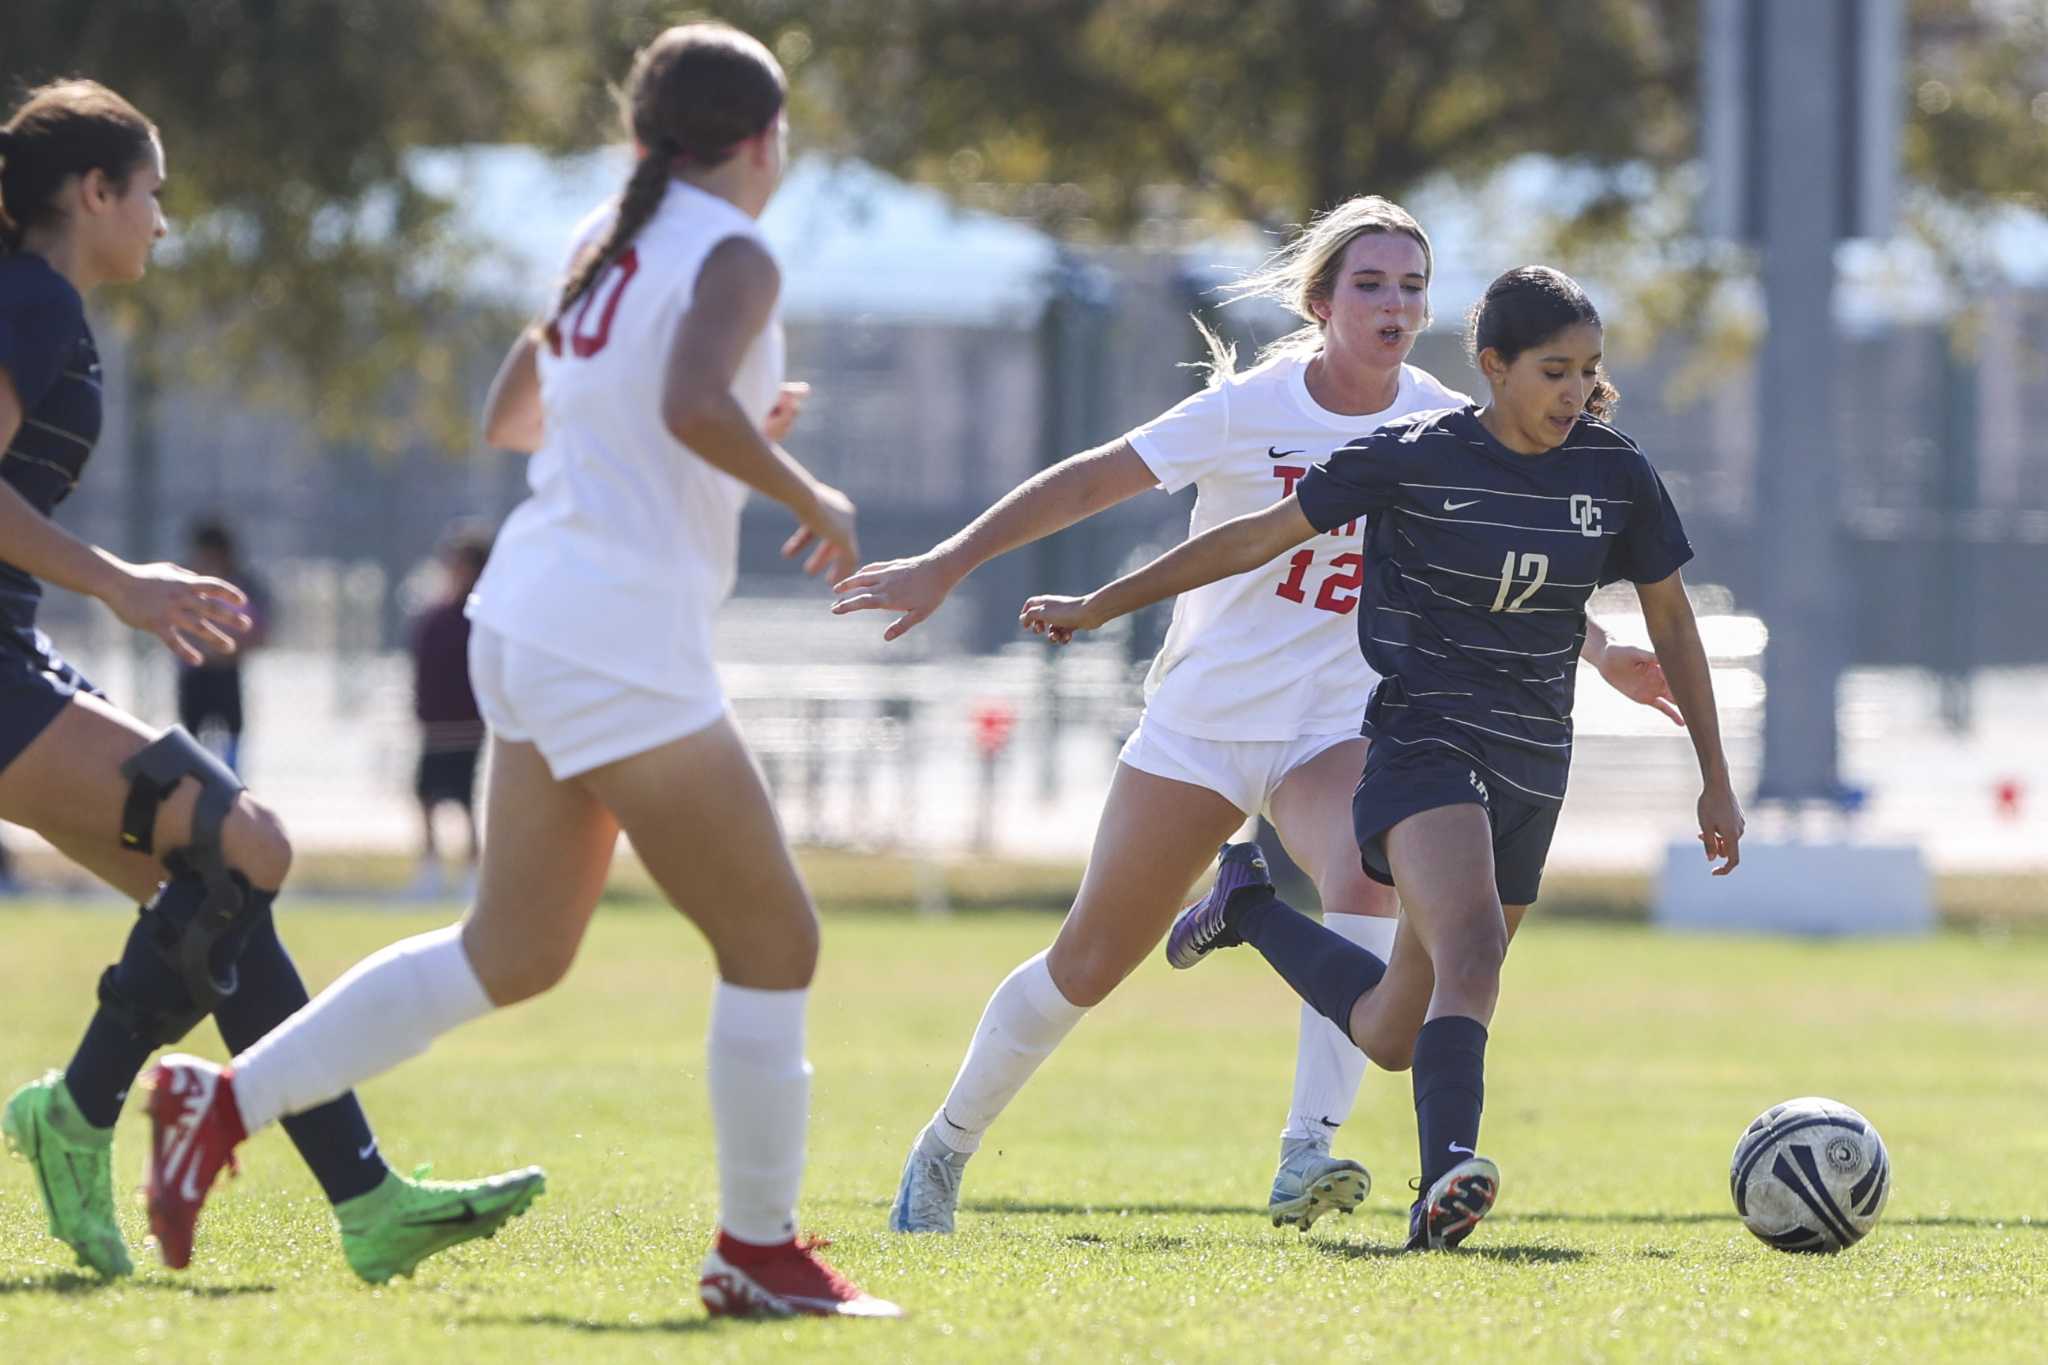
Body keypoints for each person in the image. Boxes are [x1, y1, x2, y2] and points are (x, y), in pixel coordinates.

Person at [139, 25, 899, 1320]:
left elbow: (516, 417)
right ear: (766, 141)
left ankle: (221, 1103)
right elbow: (686, 406)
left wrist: (725, 430)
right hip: (611, 634)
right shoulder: (733, 248)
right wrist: (806, 488)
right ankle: (758, 1254)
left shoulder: (608, 234)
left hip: (531, 618)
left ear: (644, 134)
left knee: (513, 951)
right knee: (774, 937)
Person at [831, 202, 1682, 1235]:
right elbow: (1091, 480)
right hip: (1207, 719)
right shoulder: (1247, 409)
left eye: (1412, 286)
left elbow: (1501, 566)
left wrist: (1603, 650)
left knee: (1365, 875)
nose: (1394, 304)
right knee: (1088, 961)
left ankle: (1305, 1149)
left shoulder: (1446, 420)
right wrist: (946, 562)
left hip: (1340, 722)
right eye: (1369, 284)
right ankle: (944, 1148)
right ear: (1321, 303)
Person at [1018, 265, 1744, 1250]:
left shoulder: (1613, 475)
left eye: (1588, 371)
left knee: (1393, 1029)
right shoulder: (1414, 455)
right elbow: (1250, 539)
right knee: (1471, 952)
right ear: (1493, 366)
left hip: (1535, 759)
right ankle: (1446, 1182)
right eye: (1552, 371)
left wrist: (1714, 777)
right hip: (1421, 743)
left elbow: (1672, 622)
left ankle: (1248, 909)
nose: (1574, 392)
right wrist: (1099, 604)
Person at [0, 78, 542, 1281]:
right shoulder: (32, 300)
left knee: (221, 900)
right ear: (93, 192)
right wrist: (122, 584)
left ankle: (365, 1200)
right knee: (246, 846)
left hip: (14, 655)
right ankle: (77, 1113)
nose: (163, 220)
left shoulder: (39, 303)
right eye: (152, 194)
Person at [406, 523, 491, 897]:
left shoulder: (481, 617)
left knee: (467, 801)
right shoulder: (435, 617)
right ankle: (430, 870)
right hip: (434, 727)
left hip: (468, 728)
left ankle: (473, 872)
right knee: (426, 796)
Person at [175, 518, 269, 773]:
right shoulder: (183, 585)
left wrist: (231, 648)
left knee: (232, 734)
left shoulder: (243, 586)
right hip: (194, 672)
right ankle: (193, 781)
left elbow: (259, 631)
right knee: (191, 736)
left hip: (227, 672)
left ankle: (230, 782)